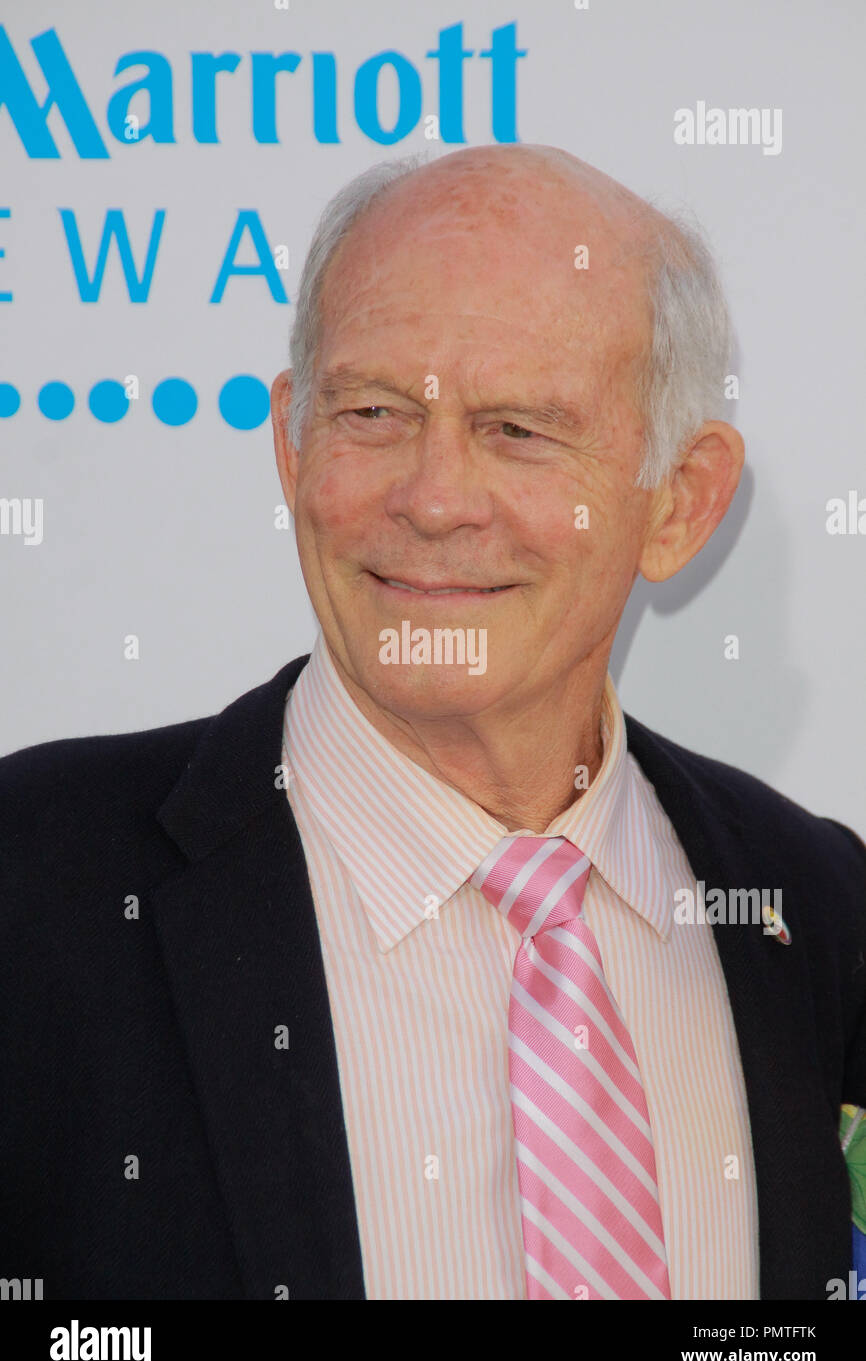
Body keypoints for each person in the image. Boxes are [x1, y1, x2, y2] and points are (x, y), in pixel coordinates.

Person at [1, 144, 864, 1302]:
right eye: (369, 411)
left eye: (517, 428)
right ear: (292, 446)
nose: (434, 495)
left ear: (679, 503)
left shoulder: (814, 906)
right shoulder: (33, 885)